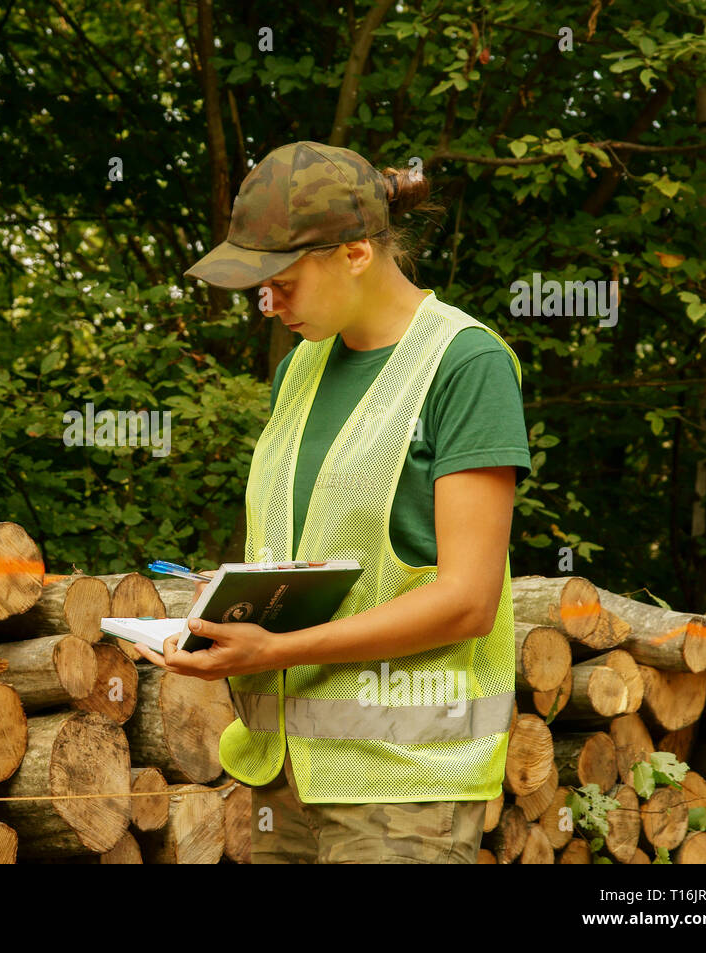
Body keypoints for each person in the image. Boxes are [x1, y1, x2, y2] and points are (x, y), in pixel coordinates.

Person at [131, 141, 531, 864]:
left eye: (282, 281)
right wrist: (230, 602)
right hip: (280, 778)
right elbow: (315, 554)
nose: (267, 302)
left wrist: (276, 648)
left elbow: (468, 600)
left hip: (405, 793)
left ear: (354, 254)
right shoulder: (300, 368)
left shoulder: (467, 365)